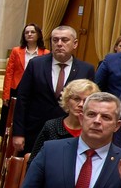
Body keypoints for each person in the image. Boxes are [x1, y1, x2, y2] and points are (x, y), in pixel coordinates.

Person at [11, 26, 95, 154]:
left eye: (65, 40)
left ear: (75, 43)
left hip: (68, 134)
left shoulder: (86, 69)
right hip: (34, 131)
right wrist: (18, 133)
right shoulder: (36, 64)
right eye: (55, 40)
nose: (59, 44)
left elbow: (90, 104)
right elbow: (22, 99)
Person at [31, 79, 99, 154]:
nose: (81, 105)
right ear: (67, 100)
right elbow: (34, 160)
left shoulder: (95, 130)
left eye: (86, 101)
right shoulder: (51, 126)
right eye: (76, 99)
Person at [0, 23, 44, 136]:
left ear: (38, 35)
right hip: (16, 87)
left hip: (34, 90)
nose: (29, 34)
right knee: (9, 118)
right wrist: (6, 94)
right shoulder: (16, 51)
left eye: (32, 32)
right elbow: (9, 73)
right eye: (26, 32)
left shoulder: (46, 53)